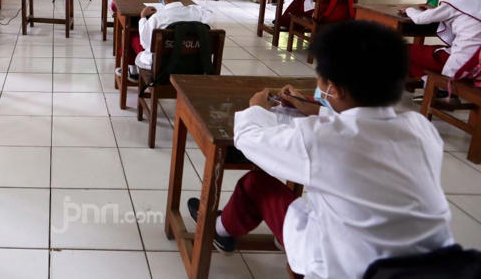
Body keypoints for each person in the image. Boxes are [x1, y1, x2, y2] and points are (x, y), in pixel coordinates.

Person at [187, 21, 453, 279]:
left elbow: (249, 139)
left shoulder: (321, 139)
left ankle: (220, 231)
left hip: (341, 264)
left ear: (334, 88)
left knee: (255, 184)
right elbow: (362, 125)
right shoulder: (420, 129)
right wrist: (316, 108)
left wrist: (256, 108)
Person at [402, 0, 481, 81]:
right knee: (428, 51)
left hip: (461, 65)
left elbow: (419, 19)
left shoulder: (458, 3)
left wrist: (408, 9)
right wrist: (437, 11)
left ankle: (434, 86)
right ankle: (429, 84)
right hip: (477, 66)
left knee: (400, 50)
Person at [131, 0, 209, 76]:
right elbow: (206, 12)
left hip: (163, 67)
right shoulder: (197, 13)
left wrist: (143, 17)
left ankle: (133, 72)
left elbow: (145, 43)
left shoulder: (157, 18)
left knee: (134, 39)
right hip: (192, 65)